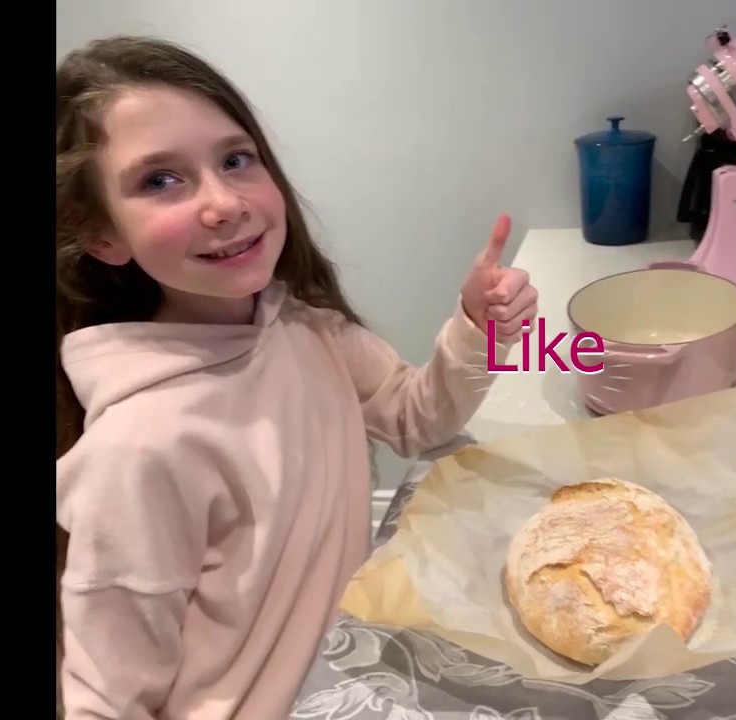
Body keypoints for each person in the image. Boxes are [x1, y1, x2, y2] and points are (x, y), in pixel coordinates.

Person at [55, 35, 539, 719]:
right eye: (161, 180)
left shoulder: (304, 328)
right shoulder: (137, 450)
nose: (222, 201)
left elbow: (417, 417)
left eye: (234, 159)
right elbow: (106, 697)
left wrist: (477, 323)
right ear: (102, 235)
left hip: (357, 674)